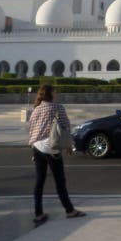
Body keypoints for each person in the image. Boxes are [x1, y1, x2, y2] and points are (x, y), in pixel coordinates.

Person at [27, 84, 85, 223]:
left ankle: (38, 213)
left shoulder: (36, 109)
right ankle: (70, 210)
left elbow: (31, 129)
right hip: (51, 148)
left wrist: (34, 151)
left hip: (37, 147)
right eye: (54, 91)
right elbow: (65, 126)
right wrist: (69, 145)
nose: (56, 93)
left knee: (39, 181)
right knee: (60, 181)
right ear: (50, 94)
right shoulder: (57, 107)